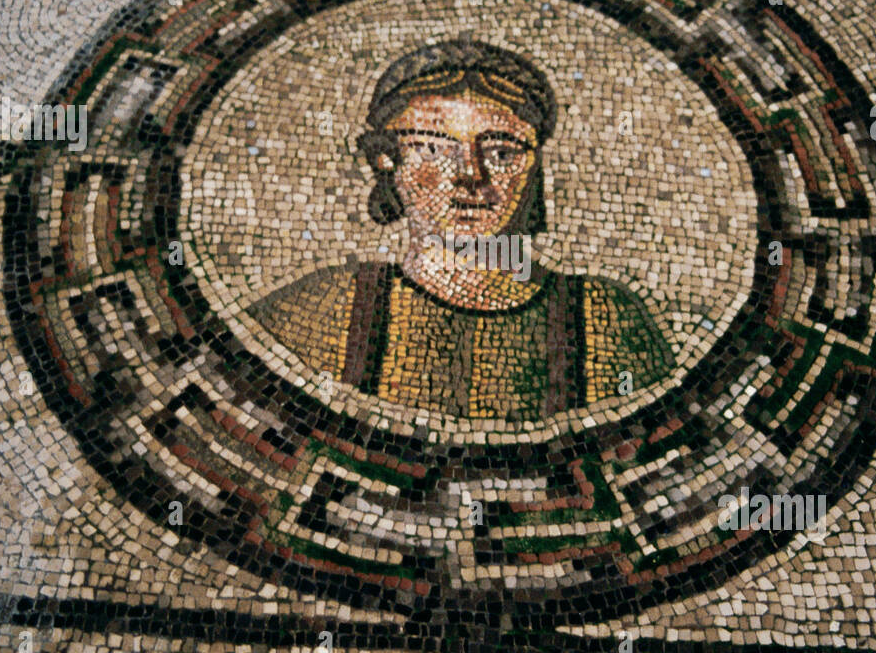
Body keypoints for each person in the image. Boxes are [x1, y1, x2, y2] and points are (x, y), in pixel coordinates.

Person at [250, 38, 675, 421]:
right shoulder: (319, 311)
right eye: (433, 148)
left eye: (502, 152)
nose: (470, 174)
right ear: (386, 160)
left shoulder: (606, 320)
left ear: (534, 167)